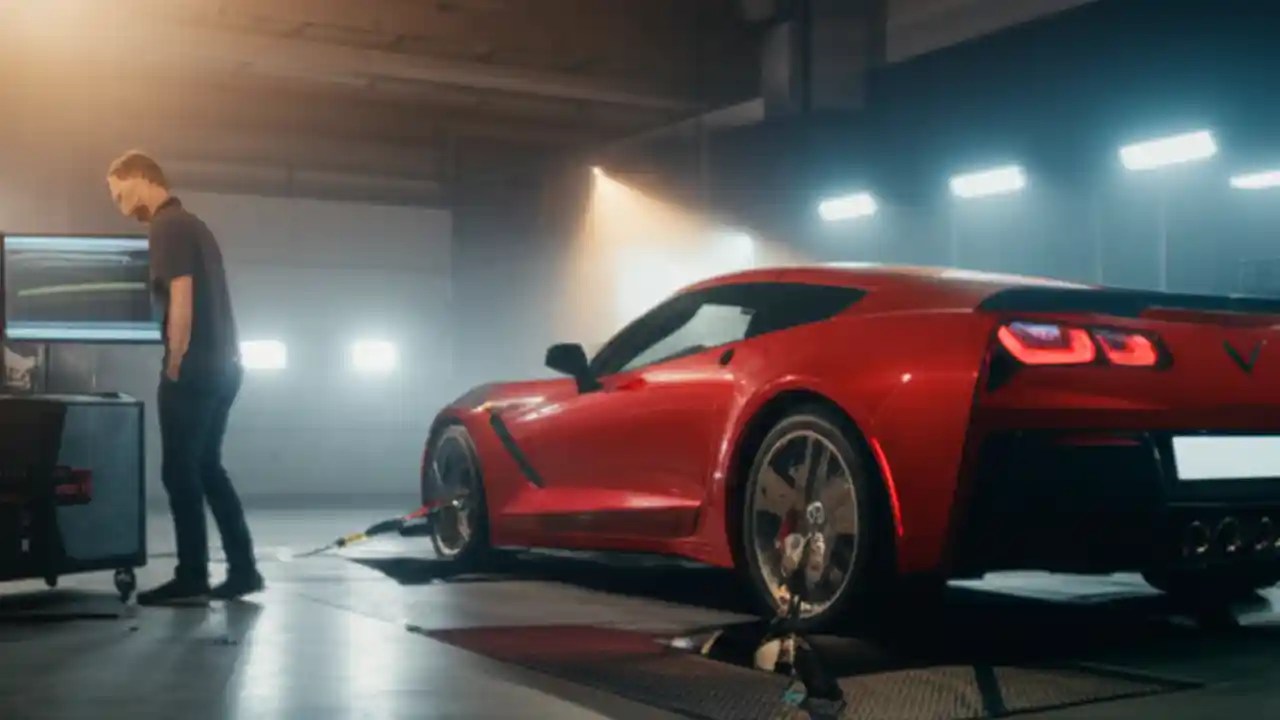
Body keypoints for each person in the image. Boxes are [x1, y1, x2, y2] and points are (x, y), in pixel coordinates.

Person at [106, 151, 263, 604]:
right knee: (208, 468)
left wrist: (175, 360)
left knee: (179, 473)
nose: (115, 199)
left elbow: (182, 295)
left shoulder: (166, 226)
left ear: (139, 177)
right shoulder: (195, 224)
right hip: (225, 367)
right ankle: (243, 569)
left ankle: (192, 574)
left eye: (116, 188)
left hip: (194, 368)